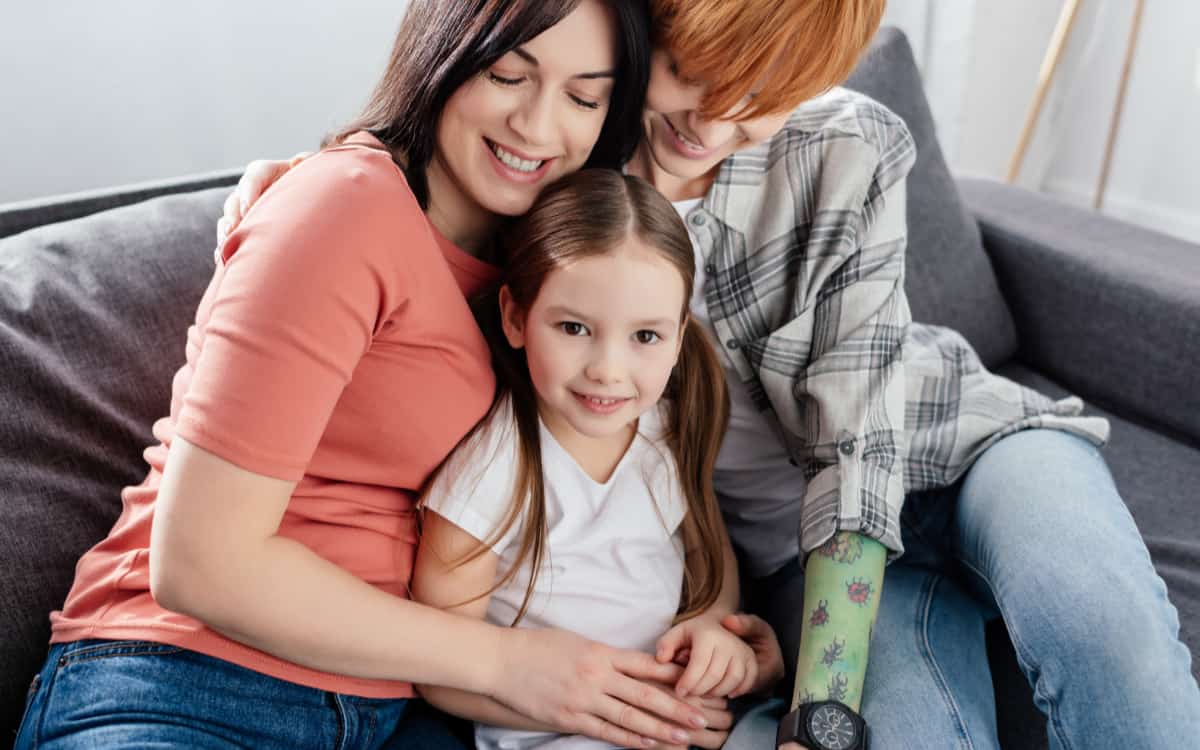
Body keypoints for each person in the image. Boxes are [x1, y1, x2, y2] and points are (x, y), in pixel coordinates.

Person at [220, 0, 1200, 747]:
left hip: (959, 448)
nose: (715, 120)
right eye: (694, 71)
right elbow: (431, 160)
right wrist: (307, 173)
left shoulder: (848, 145)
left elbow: (857, 446)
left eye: (763, 102)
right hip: (791, 553)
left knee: (1102, 626)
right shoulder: (564, 161)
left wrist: (817, 696)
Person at [13, 3, 756, 748]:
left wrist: (715, 633)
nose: (537, 126)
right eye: (507, 75)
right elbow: (202, 566)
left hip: (393, 709)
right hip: (190, 680)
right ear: (445, 52)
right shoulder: (344, 209)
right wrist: (509, 662)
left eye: (583, 97)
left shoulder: (551, 257)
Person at [411, 168, 785, 750]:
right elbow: (441, 669)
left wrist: (712, 623)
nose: (607, 369)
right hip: (562, 735)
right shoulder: (493, 470)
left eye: (645, 337)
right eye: (574, 327)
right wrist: (595, 714)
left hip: (682, 721)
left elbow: (706, 551)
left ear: (680, 334)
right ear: (516, 318)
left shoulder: (664, 430)